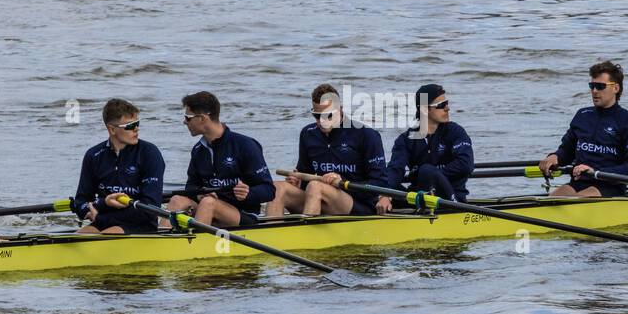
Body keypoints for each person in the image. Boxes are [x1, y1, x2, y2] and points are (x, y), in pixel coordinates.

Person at [266, 83, 392, 217]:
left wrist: (341, 181)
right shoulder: (308, 134)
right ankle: (271, 232)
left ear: (340, 110)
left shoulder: (366, 135)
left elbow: (380, 183)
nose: (321, 121)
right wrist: (298, 182)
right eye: (317, 116)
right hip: (318, 197)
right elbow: (305, 174)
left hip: (358, 204)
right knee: (278, 188)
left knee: (316, 186)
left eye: (328, 115)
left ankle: (308, 234)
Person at [537, 61, 628, 197]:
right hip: (579, 182)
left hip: (610, 186)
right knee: (553, 198)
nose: (594, 91)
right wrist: (555, 157)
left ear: (616, 88)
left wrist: (595, 170)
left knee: (574, 202)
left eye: (600, 86)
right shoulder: (582, 115)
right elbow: (567, 150)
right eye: (592, 86)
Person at [168, 91, 274, 227]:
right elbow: (191, 186)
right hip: (210, 208)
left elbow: (269, 190)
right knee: (177, 200)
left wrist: (249, 193)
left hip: (243, 214)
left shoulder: (245, 145)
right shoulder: (198, 150)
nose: (184, 121)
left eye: (188, 117)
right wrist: (198, 194)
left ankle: (196, 246)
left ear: (202, 118)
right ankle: (158, 243)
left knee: (208, 203)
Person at [74, 98, 166, 234]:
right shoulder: (93, 155)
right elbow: (81, 201)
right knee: (76, 239)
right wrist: (95, 209)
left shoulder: (149, 153)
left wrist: (101, 215)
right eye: (130, 126)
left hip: (140, 223)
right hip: (103, 221)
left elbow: (150, 207)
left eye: (137, 123)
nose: (136, 129)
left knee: (104, 237)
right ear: (112, 129)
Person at [385, 83, 475, 202]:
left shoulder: (455, 132)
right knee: (383, 185)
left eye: (447, 103)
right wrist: (385, 194)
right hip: (420, 195)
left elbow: (465, 165)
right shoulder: (406, 139)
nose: (447, 108)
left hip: (451, 198)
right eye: (442, 105)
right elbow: (395, 170)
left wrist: (429, 175)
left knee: (427, 170)